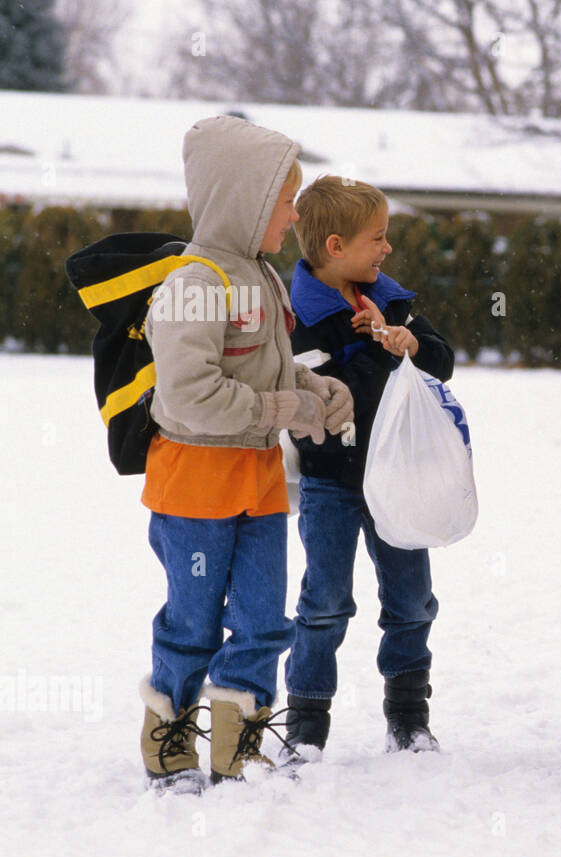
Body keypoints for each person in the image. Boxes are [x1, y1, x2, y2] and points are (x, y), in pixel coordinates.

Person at [139, 115, 353, 790]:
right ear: (245, 199)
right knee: (192, 624)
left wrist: (314, 388)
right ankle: (168, 744)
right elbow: (187, 395)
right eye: (284, 201)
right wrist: (278, 409)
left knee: (264, 622)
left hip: (257, 480)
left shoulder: (262, 276)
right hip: (195, 484)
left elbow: (267, 372)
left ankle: (241, 748)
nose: (294, 217)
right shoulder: (194, 283)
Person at [281, 175, 456, 756]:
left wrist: (405, 341)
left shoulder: (390, 298)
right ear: (335, 246)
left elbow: (442, 361)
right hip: (331, 480)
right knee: (324, 603)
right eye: (376, 239)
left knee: (410, 603)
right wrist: (380, 354)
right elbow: (326, 394)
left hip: (397, 476)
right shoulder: (297, 317)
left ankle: (408, 716)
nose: (386, 250)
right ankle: (306, 723)